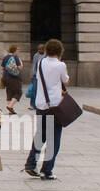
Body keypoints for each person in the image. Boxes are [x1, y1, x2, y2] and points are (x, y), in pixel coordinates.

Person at [24, 38, 69, 180]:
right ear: (60, 51)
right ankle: (47, 170)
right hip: (54, 106)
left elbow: (43, 80)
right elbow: (65, 80)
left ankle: (31, 163)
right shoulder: (61, 65)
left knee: (41, 134)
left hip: (41, 104)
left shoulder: (41, 62)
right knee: (54, 138)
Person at [2, 44, 23, 113]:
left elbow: (2, 68)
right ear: (14, 50)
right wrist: (21, 62)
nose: (18, 51)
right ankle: (10, 106)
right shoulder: (15, 57)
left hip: (5, 77)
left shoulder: (5, 57)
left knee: (9, 91)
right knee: (19, 92)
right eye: (18, 50)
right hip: (14, 77)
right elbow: (20, 67)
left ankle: (10, 111)